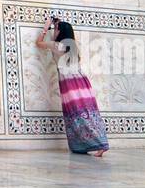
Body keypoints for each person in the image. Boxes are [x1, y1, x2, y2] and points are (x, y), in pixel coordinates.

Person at [36, 14, 109, 157]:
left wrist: (45, 28)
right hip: (82, 82)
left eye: (56, 29)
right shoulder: (72, 46)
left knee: (76, 114)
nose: (54, 31)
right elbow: (53, 45)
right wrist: (56, 25)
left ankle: (98, 144)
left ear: (60, 32)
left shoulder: (56, 45)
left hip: (70, 84)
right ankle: (91, 144)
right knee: (88, 112)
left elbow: (39, 43)